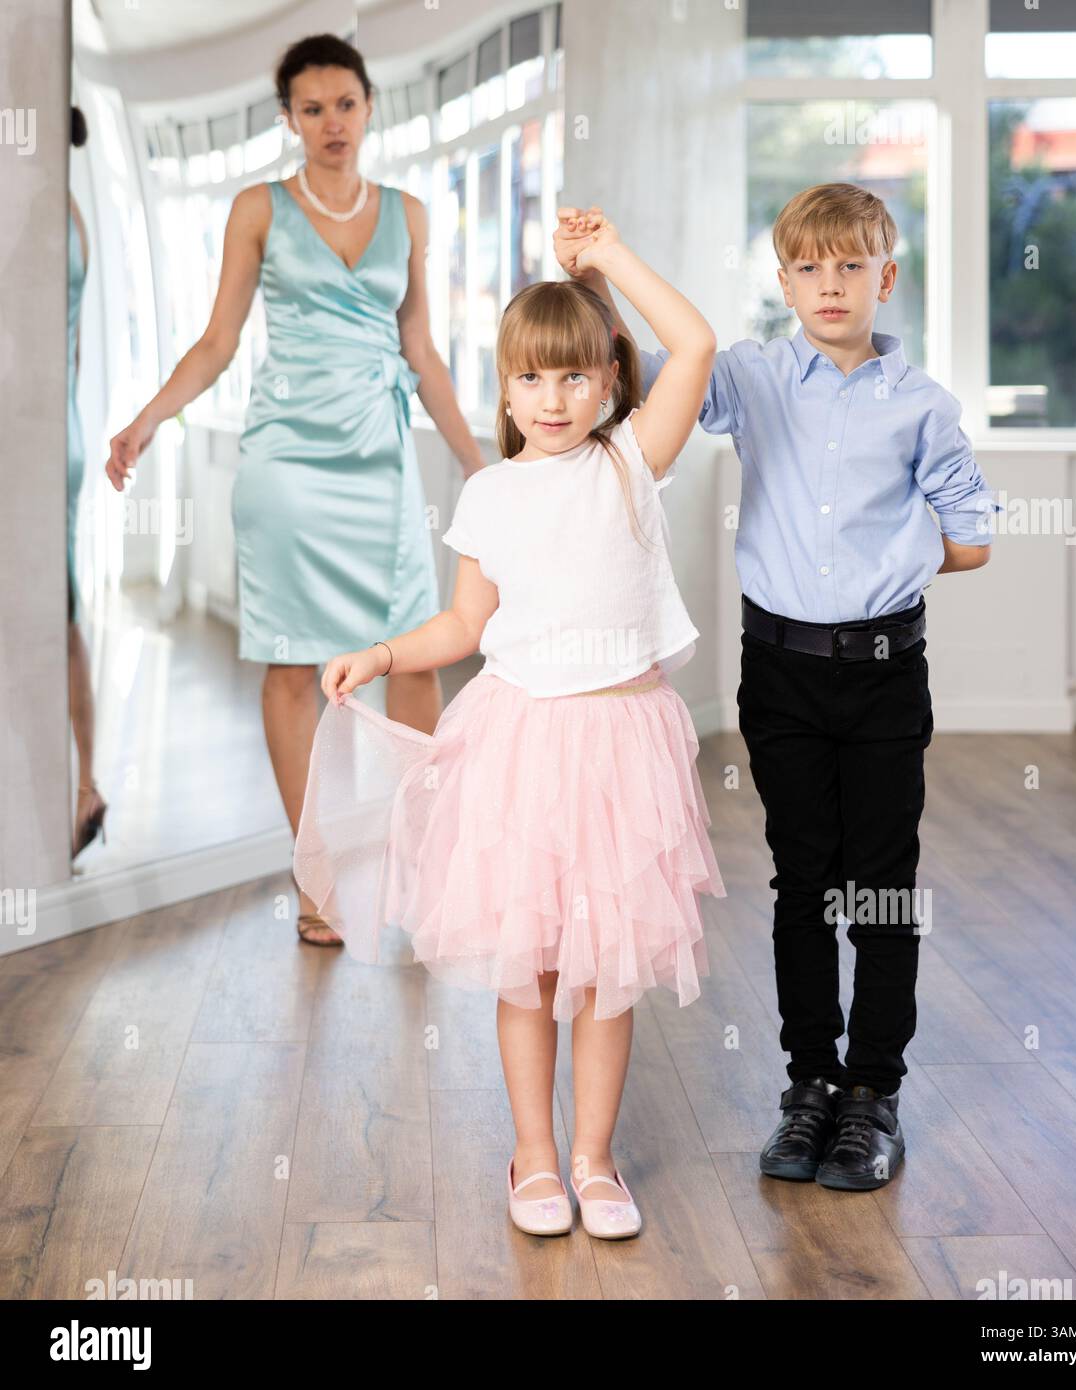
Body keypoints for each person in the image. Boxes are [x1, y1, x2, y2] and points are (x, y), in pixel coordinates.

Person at [557, 184, 1001, 1192]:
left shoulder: (924, 405)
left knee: (879, 887)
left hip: (884, 673)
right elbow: (635, 383)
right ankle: (808, 1088)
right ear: (784, 280)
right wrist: (601, 273)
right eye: (809, 267)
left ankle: (871, 1098)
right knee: (801, 881)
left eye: (851, 266)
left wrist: (882, 557)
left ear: (884, 278)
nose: (830, 284)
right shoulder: (750, 376)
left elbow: (970, 539)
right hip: (780, 672)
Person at [293, 215, 726, 1239]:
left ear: (611, 382)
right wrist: (385, 654)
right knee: (530, 963)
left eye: (577, 377)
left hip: (623, 750)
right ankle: (533, 1154)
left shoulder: (630, 465)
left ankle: (594, 1156)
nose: (555, 399)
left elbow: (697, 343)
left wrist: (609, 260)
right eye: (532, 380)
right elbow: (462, 624)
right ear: (504, 390)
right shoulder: (489, 494)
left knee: (607, 972)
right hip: (521, 750)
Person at [104, 35, 484, 942]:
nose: (331, 123)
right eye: (310, 109)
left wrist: (485, 468)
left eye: (344, 104)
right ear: (288, 118)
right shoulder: (258, 209)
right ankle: (313, 876)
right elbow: (217, 342)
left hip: (381, 462)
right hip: (286, 467)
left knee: (417, 657)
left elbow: (421, 352)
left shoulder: (409, 213)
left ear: (368, 106)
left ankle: (419, 857)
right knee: (290, 666)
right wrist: (147, 418)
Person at [67, 105, 108, 859]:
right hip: (57, 431)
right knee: (59, 610)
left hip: (27, 437)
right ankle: (82, 785)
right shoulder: (70, 214)